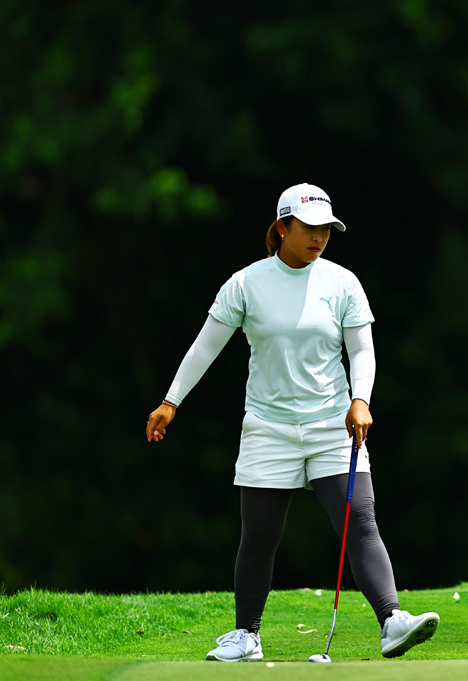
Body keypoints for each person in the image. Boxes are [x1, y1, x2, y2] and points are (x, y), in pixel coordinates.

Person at [145, 182, 439, 662]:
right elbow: (206, 346)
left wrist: (360, 399)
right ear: (282, 227)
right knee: (259, 536)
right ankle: (247, 637)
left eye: (326, 229)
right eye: (309, 227)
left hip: (331, 425)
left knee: (360, 522)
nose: (319, 237)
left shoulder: (342, 282)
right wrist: (171, 401)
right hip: (268, 428)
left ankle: (392, 621)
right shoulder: (246, 283)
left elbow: (361, 349)